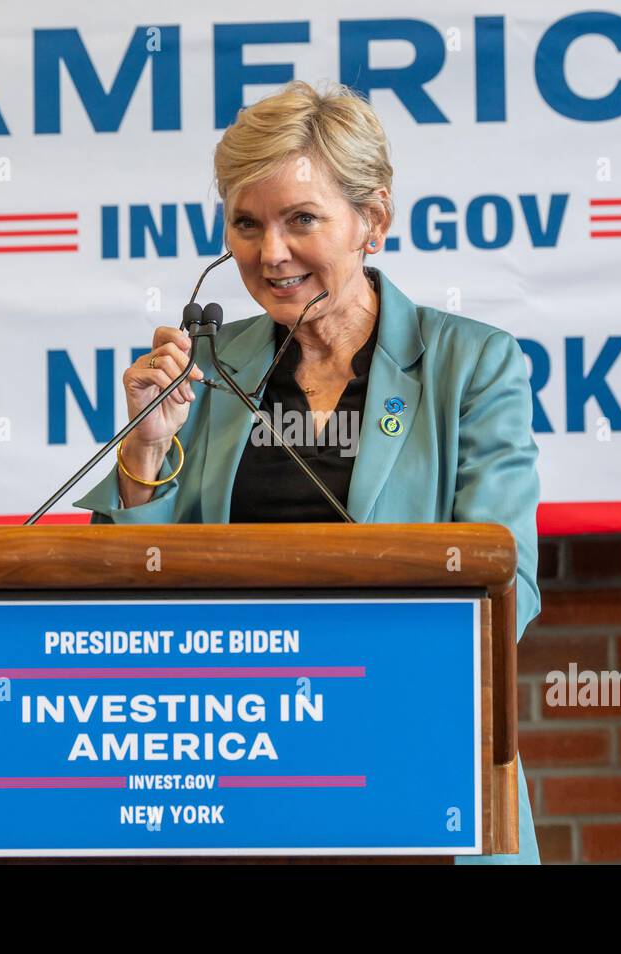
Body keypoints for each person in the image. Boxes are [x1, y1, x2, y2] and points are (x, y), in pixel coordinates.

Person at [74, 80, 542, 864]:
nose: (272, 253)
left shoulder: (472, 364)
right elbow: (130, 592)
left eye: (301, 220)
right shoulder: (208, 372)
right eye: (247, 225)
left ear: (374, 221)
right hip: (242, 778)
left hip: (421, 766)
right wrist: (146, 451)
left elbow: (509, 584)